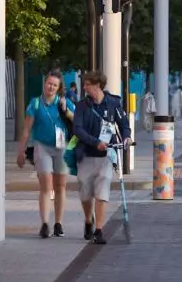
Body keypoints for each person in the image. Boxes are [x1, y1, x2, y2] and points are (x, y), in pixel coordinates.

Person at [72, 70, 130, 245]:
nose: (84, 87)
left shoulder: (113, 103)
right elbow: (78, 129)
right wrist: (94, 141)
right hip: (86, 153)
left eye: (87, 84)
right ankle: (88, 221)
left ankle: (99, 230)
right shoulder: (82, 106)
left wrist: (127, 137)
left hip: (106, 154)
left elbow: (124, 124)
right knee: (85, 193)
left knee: (102, 191)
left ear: (97, 85)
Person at [17, 69, 75, 237]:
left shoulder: (64, 102)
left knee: (60, 186)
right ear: (44, 83)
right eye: (49, 83)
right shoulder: (35, 104)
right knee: (46, 185)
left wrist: (66, 111)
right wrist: (21, 151)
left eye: (55, 85)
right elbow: (27, 130)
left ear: (59, 88)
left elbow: (77, 120)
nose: (51, 87)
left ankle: (58, 223)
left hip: (61, 147)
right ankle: (44, 223)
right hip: (42, 146)